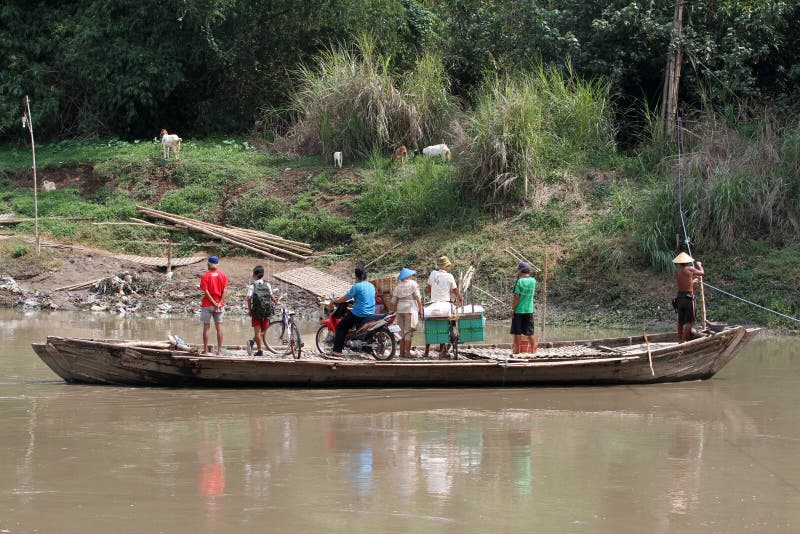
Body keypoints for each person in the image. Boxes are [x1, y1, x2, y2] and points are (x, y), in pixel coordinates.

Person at [330, 267, 376, 356]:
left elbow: (345, 298)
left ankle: (337, 351)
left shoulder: (357, 286)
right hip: (371, 312)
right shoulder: (371, 286)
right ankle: (365, 348)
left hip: (359, 313)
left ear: (356, 276)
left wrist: (335, 301)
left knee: (341, 326)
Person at [424, 256, 461, 358]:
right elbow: (455, 290)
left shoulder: (433, 273)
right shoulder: (449, 276)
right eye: (448, 266)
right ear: (446, 266)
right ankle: (442, 351)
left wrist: (433, 295)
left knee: (430, 325)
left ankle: (426, 351)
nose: (449, 268)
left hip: (433, 303)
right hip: (445, 305)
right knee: (446, 324)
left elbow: (429, 286)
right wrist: (460, 297)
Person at [246, 265, 280, 357]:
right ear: (263, 275)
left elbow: (248, 298)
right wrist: (276, 302)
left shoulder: (252, 286)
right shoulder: (267, 284)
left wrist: (249, 310)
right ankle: (253, 342)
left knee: (257, 333)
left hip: (256, 312)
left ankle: (259, 349)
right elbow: (271, 296)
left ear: (254, 274)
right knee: (265, 330)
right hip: (266, 311)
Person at [673, 251, 705, 343]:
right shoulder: (690, 268)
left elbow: (685, 282)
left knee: (680, 320)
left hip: (679, 297)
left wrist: (693, 281)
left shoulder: (677, 271)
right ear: (687, 261)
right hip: (688, 298)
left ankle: (680, 339)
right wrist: (699, 265)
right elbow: (702, 273)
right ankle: (683, 340)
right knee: (691, 321)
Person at [199, 256, 228, 355]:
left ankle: (206, 350)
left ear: (209, 264)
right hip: (219, 306)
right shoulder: (223, 275)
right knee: (219, 328)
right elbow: (225, 290)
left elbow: (206, 292)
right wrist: (219, 303)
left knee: (206, 327)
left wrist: (213, 303)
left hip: (207, 304)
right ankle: (219, 351)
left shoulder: (205, 276)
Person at [391, 267, 423, 358]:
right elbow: (418, 298)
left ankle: (401, 352)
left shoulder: (398, 286)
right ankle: (407, 353)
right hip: (410, 309)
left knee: (401, 332)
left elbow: (393, 301)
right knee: (408, 331)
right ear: (408, 276)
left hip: (400, 310)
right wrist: (420, 309)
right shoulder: (413, 284)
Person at [511, 262, 537, 354]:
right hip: (529, 310)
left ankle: (517, 351)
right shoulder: (533, 281)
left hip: (518, 310)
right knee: (530, 332)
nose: (517, 272)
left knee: (517, 331)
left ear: (521, 271)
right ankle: (534, 351)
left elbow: (516, 297)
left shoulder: (519, 281)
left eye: (518, 270)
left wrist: (513, 309)